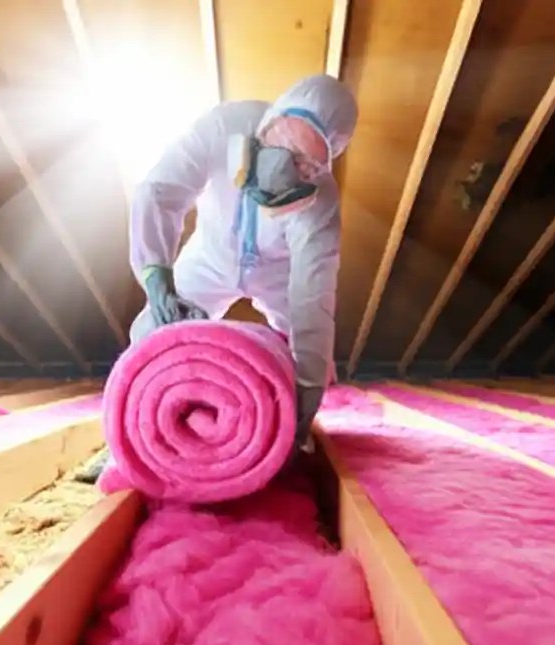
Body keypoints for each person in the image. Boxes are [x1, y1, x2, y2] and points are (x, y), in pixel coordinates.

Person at [77, 74, 358, 482]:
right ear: (268, 124)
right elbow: (160, 191)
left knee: (311, 351)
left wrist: (302, 408)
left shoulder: (318, 204)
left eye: (304, 162)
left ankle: (290, 434)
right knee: (150, 330)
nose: (287, 167)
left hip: (278, 276)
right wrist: (156, 274)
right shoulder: (225, 126)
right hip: (211, 255)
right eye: (286, 145)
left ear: (322, 166)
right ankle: (122, 444)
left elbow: (312, 300)